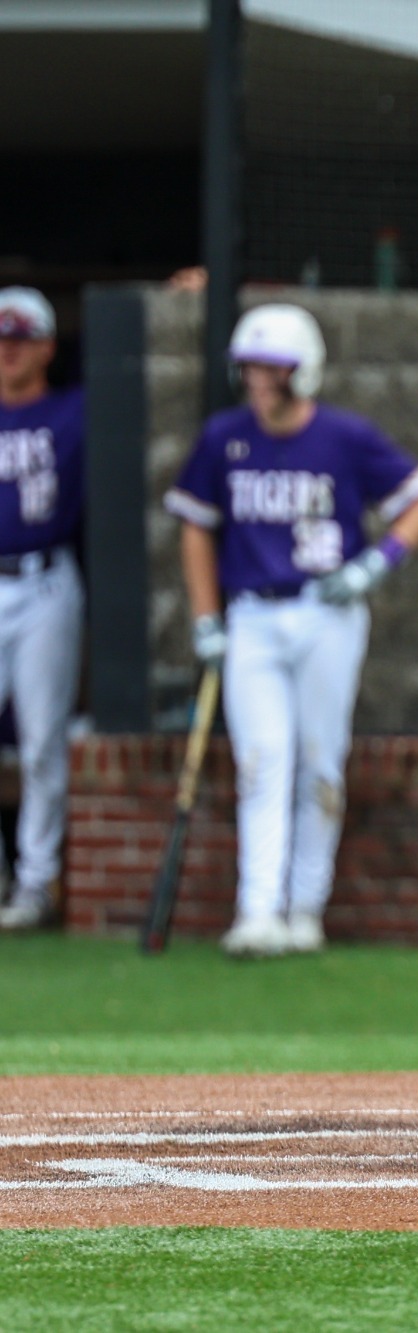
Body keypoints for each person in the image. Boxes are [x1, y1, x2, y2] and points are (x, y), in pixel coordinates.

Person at [165, 304, 418, 957]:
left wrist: (375, 563)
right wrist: (206, 618)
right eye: (250, 368)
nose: (258, 381)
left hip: (327, 612)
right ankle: (257, 909)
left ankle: (304, 909)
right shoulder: (224, 438)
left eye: (272, 368)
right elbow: (195, 528)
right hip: (252, 615)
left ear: (303, 370)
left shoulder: (345, 437)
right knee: (262, 760)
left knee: (321, 760)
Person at [0, 287, 84, 931]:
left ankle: (35, 882)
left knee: (41, 742)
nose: (9, 350)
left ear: (48, 346)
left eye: (21, 339)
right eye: (2, 339)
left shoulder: (74, 410)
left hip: (46, 576)